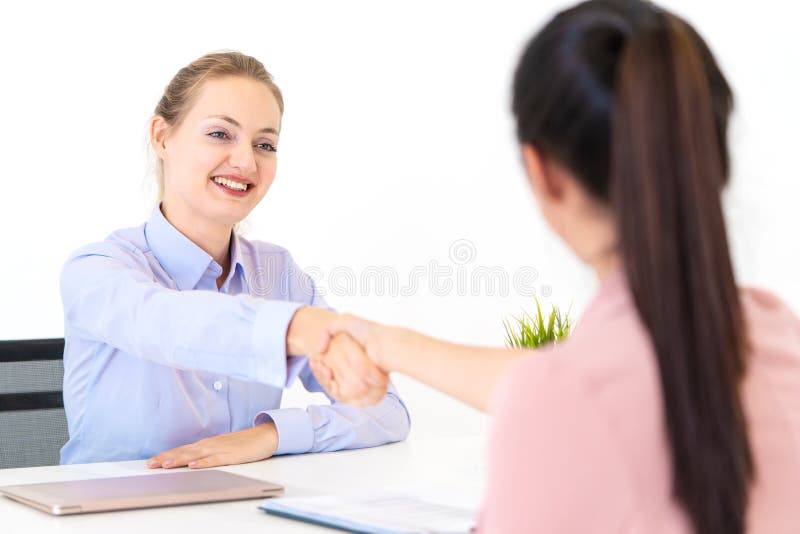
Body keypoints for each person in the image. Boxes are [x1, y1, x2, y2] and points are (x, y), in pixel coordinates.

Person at [310, 1, 800, 532]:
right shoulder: (777, 333)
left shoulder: (561, 403)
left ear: (542, 172)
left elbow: (566, 391)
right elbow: (584, 380)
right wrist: (389, 344)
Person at [59, 51, 409, 468]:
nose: (246, 162)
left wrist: (271, 434)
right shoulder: (97, 271)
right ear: (162, 137)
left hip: (240, 510)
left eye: (265, 144)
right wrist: (295, 328)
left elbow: (387, 409)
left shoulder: (279, 275)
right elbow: (169, 325)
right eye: (220, 134)